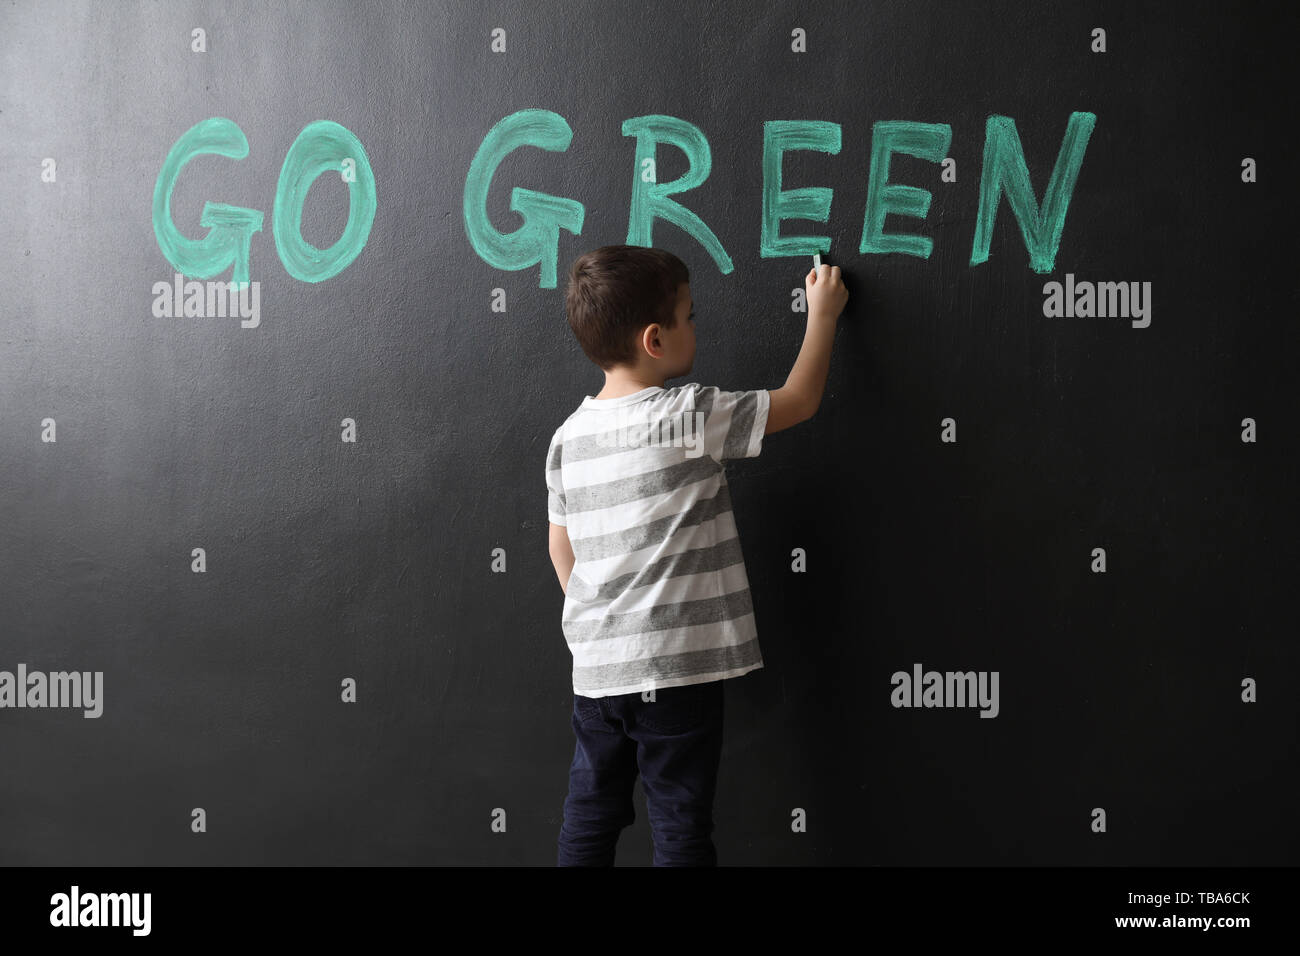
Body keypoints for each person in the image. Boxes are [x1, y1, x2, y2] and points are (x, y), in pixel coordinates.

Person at [546, 244, 848, 865]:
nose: (695, 325)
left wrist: (603, 626)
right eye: (690, 315)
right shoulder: (688, 414)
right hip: (675, 671)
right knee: (680, 825)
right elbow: (799, 400)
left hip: (598, 670)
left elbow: (561, 547)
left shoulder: (567, 438)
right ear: (655, 339)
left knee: (590, 814)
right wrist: (822, 314)